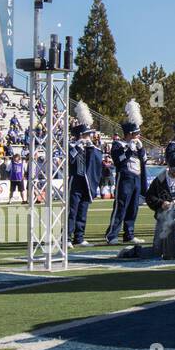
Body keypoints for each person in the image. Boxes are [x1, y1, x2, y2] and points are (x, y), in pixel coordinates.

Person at [105, 100, 149, 245]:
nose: (138, 136)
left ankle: (129, 234)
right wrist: (129, 150)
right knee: (121, 206)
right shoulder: (118, 145)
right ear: (129, 134)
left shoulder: (137, 145)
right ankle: (112, 235)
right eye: (136, 134)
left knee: (133, 207)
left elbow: (144, 160)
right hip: (124, 178)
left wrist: (141, 150)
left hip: (136, 178)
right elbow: (119, 161)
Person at [67, 102, 103, 246]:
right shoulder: (71, 145)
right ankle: (67, 238)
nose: (90, 137)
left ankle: (79, 237)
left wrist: (91, 148)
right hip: (75, 179)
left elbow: (97, 160)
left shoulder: (92, 147)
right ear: (81, 135)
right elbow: (69, 159)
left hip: (86, 182)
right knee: (72, 210)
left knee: (83, 210)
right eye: (87, 135)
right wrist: (78, 146)